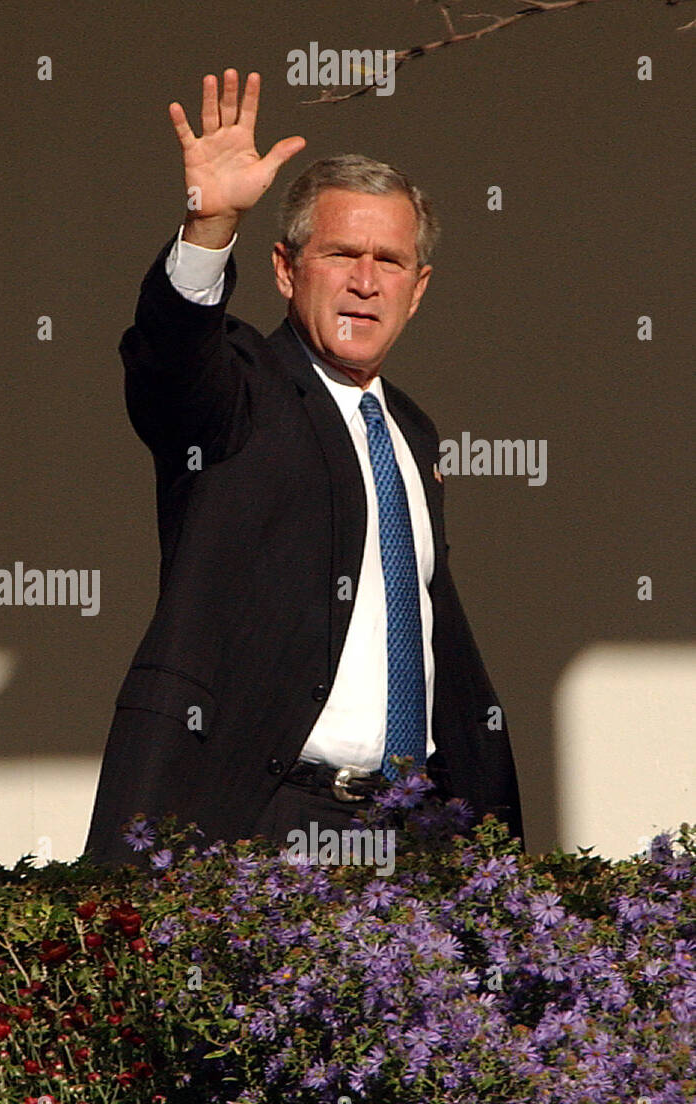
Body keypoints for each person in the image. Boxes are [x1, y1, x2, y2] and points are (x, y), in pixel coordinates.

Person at [85, 68, 522, 864]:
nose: (364, 281)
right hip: (261, 820)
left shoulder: (413, 434)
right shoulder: (242, 387)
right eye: (342, 254)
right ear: (287, 270)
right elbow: (170, 363)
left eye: (388, 261)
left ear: (417, 289)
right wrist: (211, 224)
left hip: (409, 834)